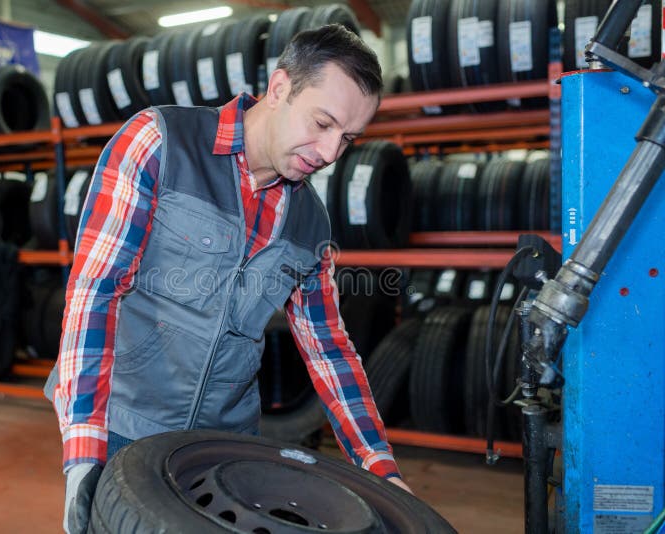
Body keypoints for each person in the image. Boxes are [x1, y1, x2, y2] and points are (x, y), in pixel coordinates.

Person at [46, 23, 411, 534]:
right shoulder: (161, 142)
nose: (330, 154)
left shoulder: (312, 223)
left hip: (225, 441)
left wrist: (378, 466)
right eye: (322, 123)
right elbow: (96, 290)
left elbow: (329, 347)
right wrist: (84, 450)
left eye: (347, 139)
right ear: (280, 88)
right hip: (123, 424)